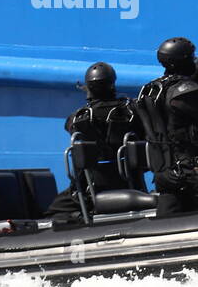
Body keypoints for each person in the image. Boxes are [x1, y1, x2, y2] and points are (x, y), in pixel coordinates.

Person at [135, 36, 198, 216]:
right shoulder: (186, 92)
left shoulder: (150, 90)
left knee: (166, 223)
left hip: (163, 173)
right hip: (192, 173)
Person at [45, 62, 141, 223]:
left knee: (53, 212)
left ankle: (80, 218)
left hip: (91, 187)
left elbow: (70, 128)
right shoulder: (131, 112)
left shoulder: (77, 118)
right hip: (131, 182)